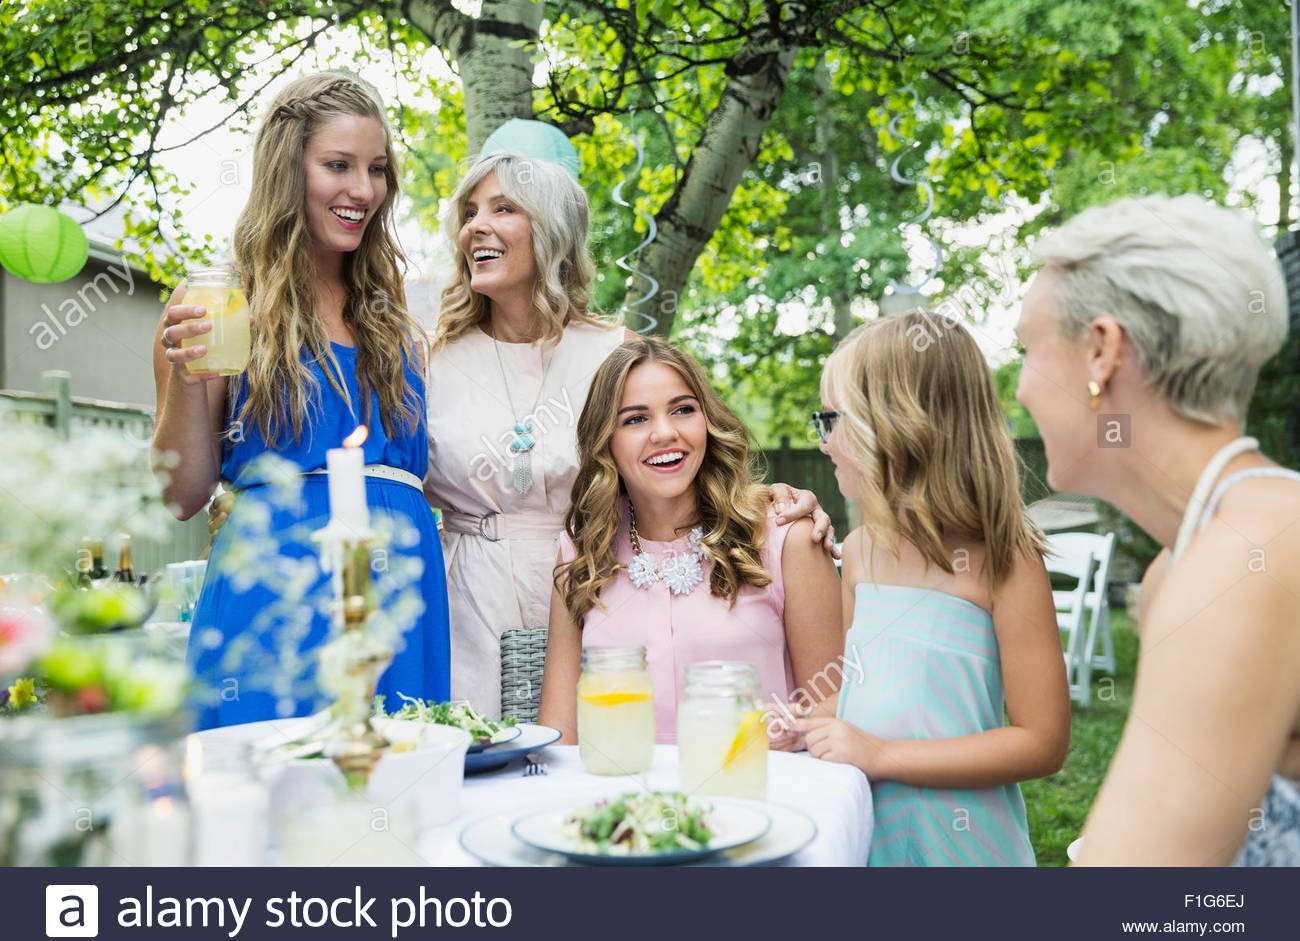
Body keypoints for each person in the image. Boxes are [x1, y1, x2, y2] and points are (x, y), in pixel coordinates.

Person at [423, 151, 833, 717]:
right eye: (468, 212)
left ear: (552, 230)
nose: (476, 226)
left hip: (600, 582)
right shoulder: (431, 357)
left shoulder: (613, 350)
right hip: (466, 594)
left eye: (503, 207)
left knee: (601, 744)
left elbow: (678, 457)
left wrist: (780, 503)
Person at [152, 72, 450, 728]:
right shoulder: (219, 303)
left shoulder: (394, 317)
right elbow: (180, 497)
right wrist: (186, 375)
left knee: (401, 798)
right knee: (274, 803)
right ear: (287, 169)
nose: (362, 190)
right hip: (273, 590)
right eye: (337, 166)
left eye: (376, 169)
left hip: (400, 589)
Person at [1014, 194, 1300, 866]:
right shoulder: (1178, 569)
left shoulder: (1241, 560)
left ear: (1101, 352)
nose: (1022, 389)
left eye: (1028, 347)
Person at [792, 311, 1070, 866]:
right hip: (872, 835)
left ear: (895, 425)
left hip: (965, 847)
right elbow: (857, 680)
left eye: (831, 419)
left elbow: (1043, 742)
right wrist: (800, 720)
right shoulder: (865, 550)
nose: (822, 442)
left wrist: (883, 755)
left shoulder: (1007, 561)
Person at [536, 338, 843, 742]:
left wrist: (776, 728)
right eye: (635, 419)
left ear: (707, 422)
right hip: (621, 799)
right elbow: (559, 735)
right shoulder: (582, 552)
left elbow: (838, 704)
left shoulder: (789, 536)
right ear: (605, 440)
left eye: (683, 410)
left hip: (753, 789)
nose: (665, 433)